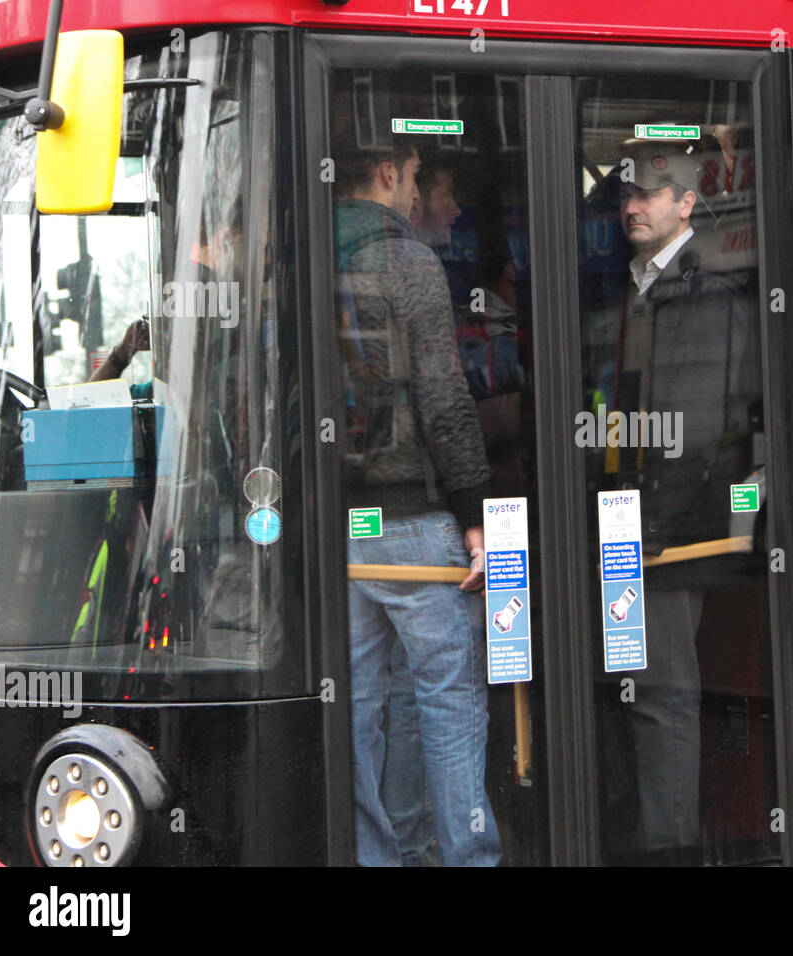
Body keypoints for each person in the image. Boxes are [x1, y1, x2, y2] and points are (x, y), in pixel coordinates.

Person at [333, 133, 500, 867]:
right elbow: (443, 398)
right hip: (412, 523)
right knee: (447, 702)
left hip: (343, 527)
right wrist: (475, 515)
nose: (417, 196)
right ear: (388, 174)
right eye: (416, 181)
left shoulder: (301, 249)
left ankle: (379, 857)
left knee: (363, 707)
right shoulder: (406, 259)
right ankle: (469, 857)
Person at [589, 139, 754, 860]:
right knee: (633, 690)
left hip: (669, 533)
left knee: (660, 697)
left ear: (686, 203)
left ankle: (668, 850)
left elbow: (696, 426)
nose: (631, 206)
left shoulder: (700, 287)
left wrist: (648, 530)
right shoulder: (637, 284)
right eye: (627, 195)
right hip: (630, 521)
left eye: (650, 194)